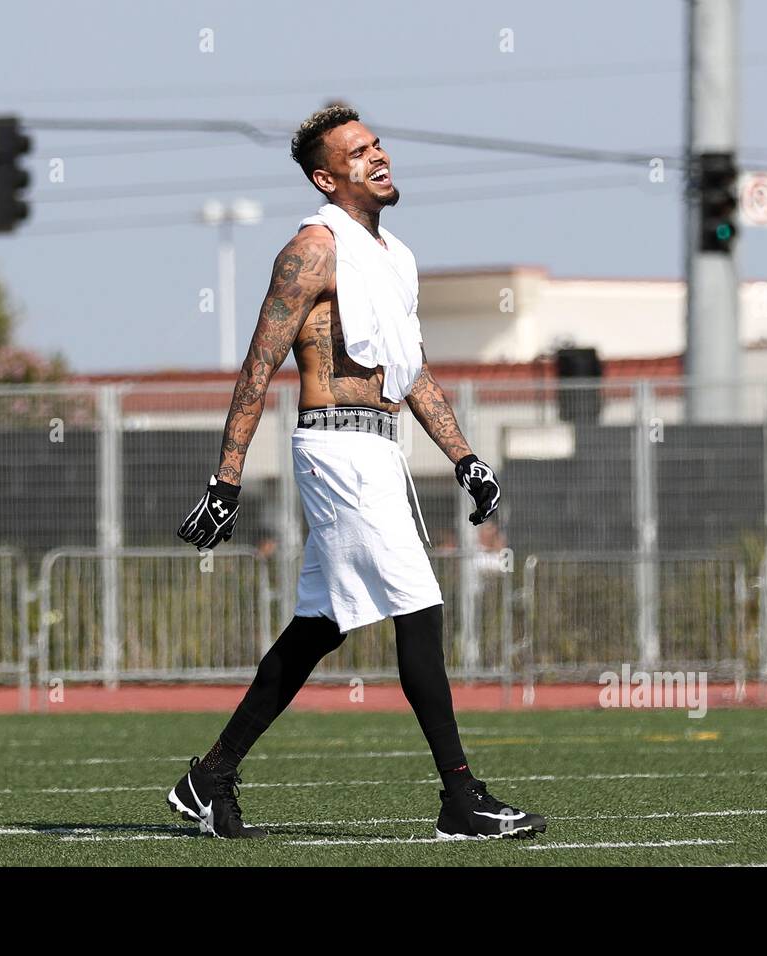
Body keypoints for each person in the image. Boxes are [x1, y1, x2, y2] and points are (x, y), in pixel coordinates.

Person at [172, 105, 546, 840]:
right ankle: (460, 799)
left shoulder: (396, 257)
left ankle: (209, 778)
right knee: (418, 603)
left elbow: (412, 375)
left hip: (380, 445)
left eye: (376, 144)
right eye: (357, 152)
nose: (378, 156)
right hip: (336, 448)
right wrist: (226, 480)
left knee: (319, 626)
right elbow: (259, 361)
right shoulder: (313, 249)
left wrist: (466, 458)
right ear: (325, 176)